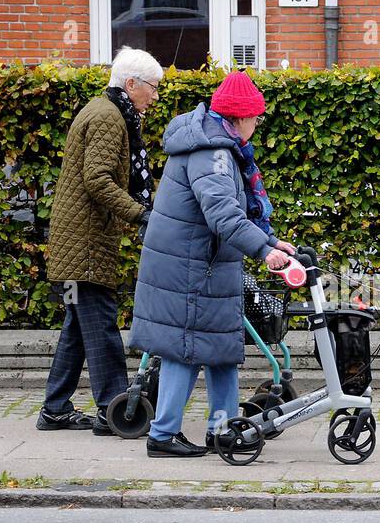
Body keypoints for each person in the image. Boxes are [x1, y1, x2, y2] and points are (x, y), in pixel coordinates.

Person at [130, 71, 296, 457]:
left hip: (203, 265)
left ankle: (222, 430)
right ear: (240, 118)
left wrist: (271, 240)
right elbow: (222, 213)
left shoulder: (214, 143)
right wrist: (264, 251)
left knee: (221, 349)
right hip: (190, 268)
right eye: (255, 118)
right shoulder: (214, 154)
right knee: (184, 349)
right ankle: (162, 435)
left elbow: (232, 211)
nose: (257, 125)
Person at [37, 46, 162, 435]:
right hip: (86, 247)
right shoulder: (109, 117)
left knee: (77, 327)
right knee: (103, 323)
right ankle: (114, 408)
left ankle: (55, 409)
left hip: (76, 243)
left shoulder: (101, 109)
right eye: (153, 88)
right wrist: (142, 213)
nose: (155, 97)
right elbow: (98, 180)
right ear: (131, 84)